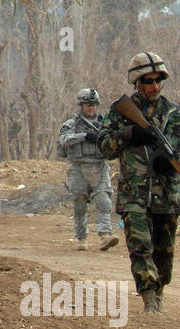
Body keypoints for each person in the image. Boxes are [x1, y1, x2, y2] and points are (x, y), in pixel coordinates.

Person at [97, 52, 180, 314]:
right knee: (140, 248)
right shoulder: (121, 113)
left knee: (164, 253)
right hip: (135, 195)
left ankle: (159, 289)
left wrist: (175, 162)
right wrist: (129, 134)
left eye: (158, 81)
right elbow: (104, 146)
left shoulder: (175, 113)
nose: (154, 87)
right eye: (148, 81)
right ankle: (149, 298)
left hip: (166, 194)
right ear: (137, 83)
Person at [58, 88, 118, 252]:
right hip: (79, 168)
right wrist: (84, 136)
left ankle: (105, 235)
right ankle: (81, 238)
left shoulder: (104, 123)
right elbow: (63, 139)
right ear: (81, 105)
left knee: (104, 201)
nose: (91, 108)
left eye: (93, 105)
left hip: (99, 166)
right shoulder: (72, 124)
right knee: (80, 206)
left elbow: (115, 139)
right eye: (87, 105)